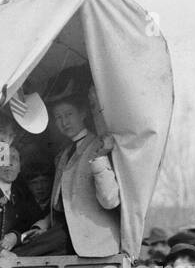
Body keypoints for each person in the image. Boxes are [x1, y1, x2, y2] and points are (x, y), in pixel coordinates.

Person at [16, 97, 120, 257]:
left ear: (83, 113)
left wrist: (100, 158)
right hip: (64, 232)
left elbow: (110, 200)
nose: (64, 122)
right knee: (18, 252)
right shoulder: (63, 155)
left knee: (19, 257)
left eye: (69, 114)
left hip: (91, 238)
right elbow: (62, 208)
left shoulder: (100, 147)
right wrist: (43, 225)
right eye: (58, 117)